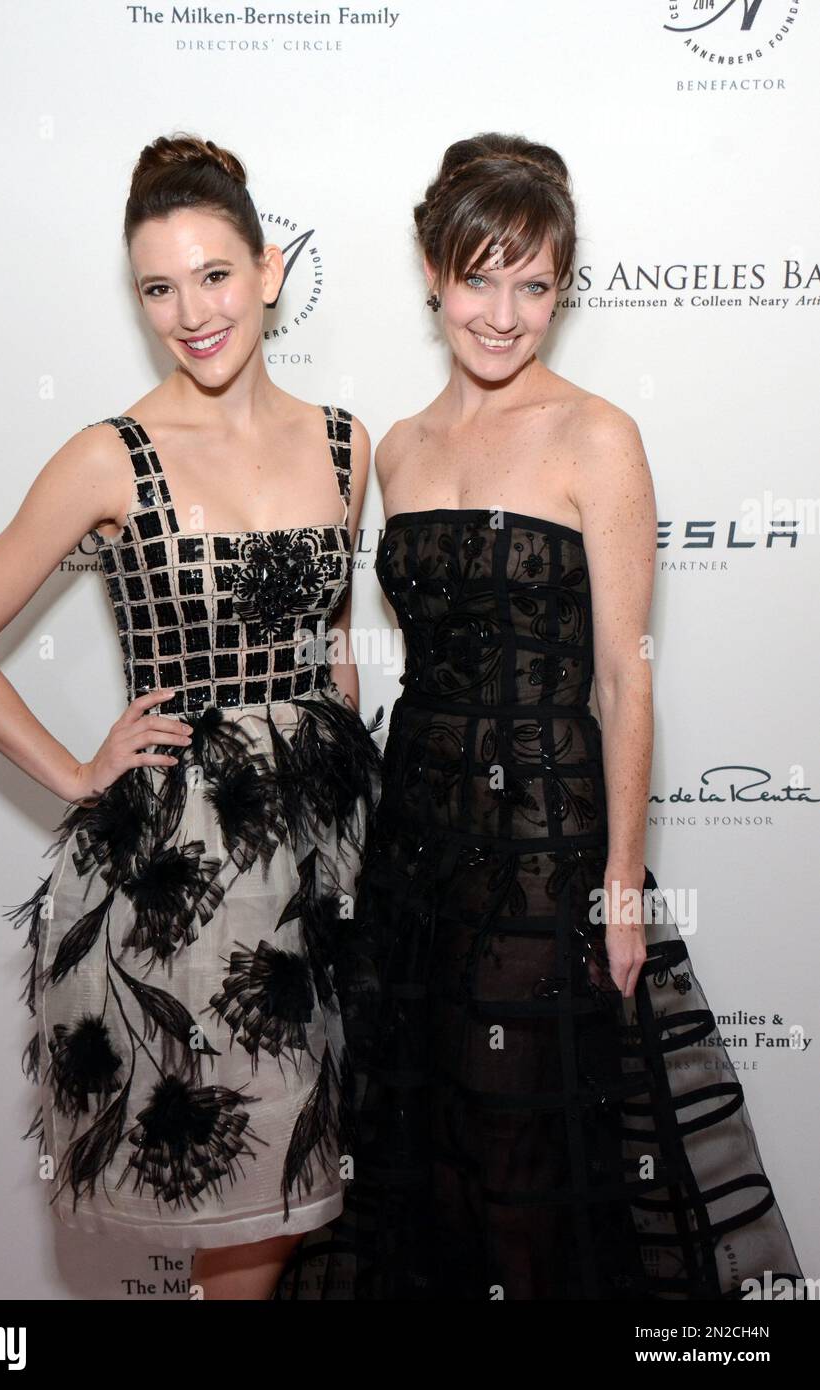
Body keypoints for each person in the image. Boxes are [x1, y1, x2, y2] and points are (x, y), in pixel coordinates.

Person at [275, 132, 804, 1300]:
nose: (505, 314)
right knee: (422, 1157)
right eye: (480, 275)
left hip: (546, 852)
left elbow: (626, 674)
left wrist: (622, 878)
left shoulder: (598, 436)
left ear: (565, 288)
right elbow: (366, 651)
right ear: (430, 267)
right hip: (415, 843)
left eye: (536, 284)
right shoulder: (397, 451)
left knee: (524, 1157)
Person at [0, 132, 382, 1301]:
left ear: (270, 271)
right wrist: (77, 770)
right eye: (159, 289)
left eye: (215, 276)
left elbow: (330, 644)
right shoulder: (108, 457)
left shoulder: (344, 441)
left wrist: (350, 786)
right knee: (238, 1220)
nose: (192, 312)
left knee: (299, 1204)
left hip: (329, 865)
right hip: (193, 882)